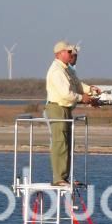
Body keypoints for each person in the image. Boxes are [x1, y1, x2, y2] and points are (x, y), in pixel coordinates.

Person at [45, 41, 100, 186]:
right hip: (57, 108)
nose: (72, 55)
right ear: (59, 54)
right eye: (69, 52)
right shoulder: (57, 70)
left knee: (68, 144)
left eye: (73, 53)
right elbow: (66, 94)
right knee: (60, 143)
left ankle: (65, 176)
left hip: (66, 109)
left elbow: (77, 85)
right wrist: (83, 98)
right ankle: (59, 178)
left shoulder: (67, 69)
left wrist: (90, 90)